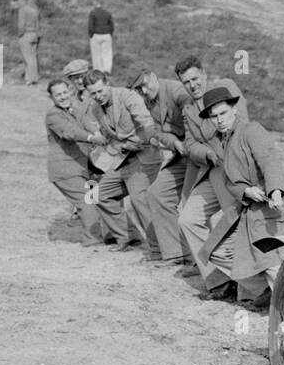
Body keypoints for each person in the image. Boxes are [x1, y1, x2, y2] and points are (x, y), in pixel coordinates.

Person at [194, 86, 284, 307]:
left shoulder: (251, 130)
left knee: (269, 259)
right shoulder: (223, 142)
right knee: (215, 251)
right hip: (247, 209)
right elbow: (230, 181)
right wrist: (245, 191)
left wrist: (274, 190)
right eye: (214, 117)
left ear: (234, 109)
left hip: (269, 209)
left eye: (223, 113)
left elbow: (270, 160)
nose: (218, 120)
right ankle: (264, 290)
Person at [177, 60, 249, 283]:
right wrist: (207, 153)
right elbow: (190, 144)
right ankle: (217, 280)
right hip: (211, 169)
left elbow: (241, 122)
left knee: (235, 222)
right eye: (186, 82)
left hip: (236, 169)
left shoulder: (225, 87)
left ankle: (247, 281)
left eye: (195, 79)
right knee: (187, 220)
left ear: (204, 74)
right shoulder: (188, 108)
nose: (192, 85)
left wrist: (217, 146)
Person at [82, 69, 155, 249]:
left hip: (143, 155)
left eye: (101, 90)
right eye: (93, 93)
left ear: (108, 83)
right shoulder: (95, 108)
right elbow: (111, 136)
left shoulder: (127, 96)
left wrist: (141, 140)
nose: (98, 96)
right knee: (98, 195)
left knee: (140, 200)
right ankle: (128, 237)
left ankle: (161, 248)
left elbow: (147, 121)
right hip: (122, 158)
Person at [128, 69, 194, 265]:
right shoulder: (150, 100)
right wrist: (175, 143)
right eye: (139, 89)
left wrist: (186, 144)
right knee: (156, 193)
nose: (144, 91)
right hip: (181, 152)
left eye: (145, 84)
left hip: (198, 150)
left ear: (154, 77)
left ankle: (199, 260)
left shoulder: (177, 92)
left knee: (193, 203)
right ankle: (177, 253)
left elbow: (196, 119)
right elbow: (158, 130)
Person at [44, 78, 106, 244]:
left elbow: (87, 122)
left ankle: (109, 235)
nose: (63, 97)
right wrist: (92, 138)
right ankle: (93, 239)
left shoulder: (75, 109)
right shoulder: (53, 115)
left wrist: (98, 132)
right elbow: (69, 132)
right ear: (51, 97)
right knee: (86, 200)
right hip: (66, 170)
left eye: (65, 92)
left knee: (98, 196)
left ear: (70, 92)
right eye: (58, 95)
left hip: (83, 167)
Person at [17, 0, 40, 85]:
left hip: (26, 34)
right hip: (34, 34)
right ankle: (34, 77)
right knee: (33, 57)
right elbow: (38, 24)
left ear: (23, 1)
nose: (18, 3)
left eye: (19, 1)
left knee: (27, 58)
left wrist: (19, 35)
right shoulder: (34, 10)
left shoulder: (23, 10)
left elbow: (21, 25)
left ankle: (30, 79)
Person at [88, 5, 114, 75]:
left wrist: (91, 34)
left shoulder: (93, 13)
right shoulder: (107, 13)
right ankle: (107, 70)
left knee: (96, 54)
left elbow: (90, 25)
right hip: (106, 35)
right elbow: (111, 25)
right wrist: (110, 34)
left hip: (96, 35)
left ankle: (98, 71)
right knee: (107, 54)